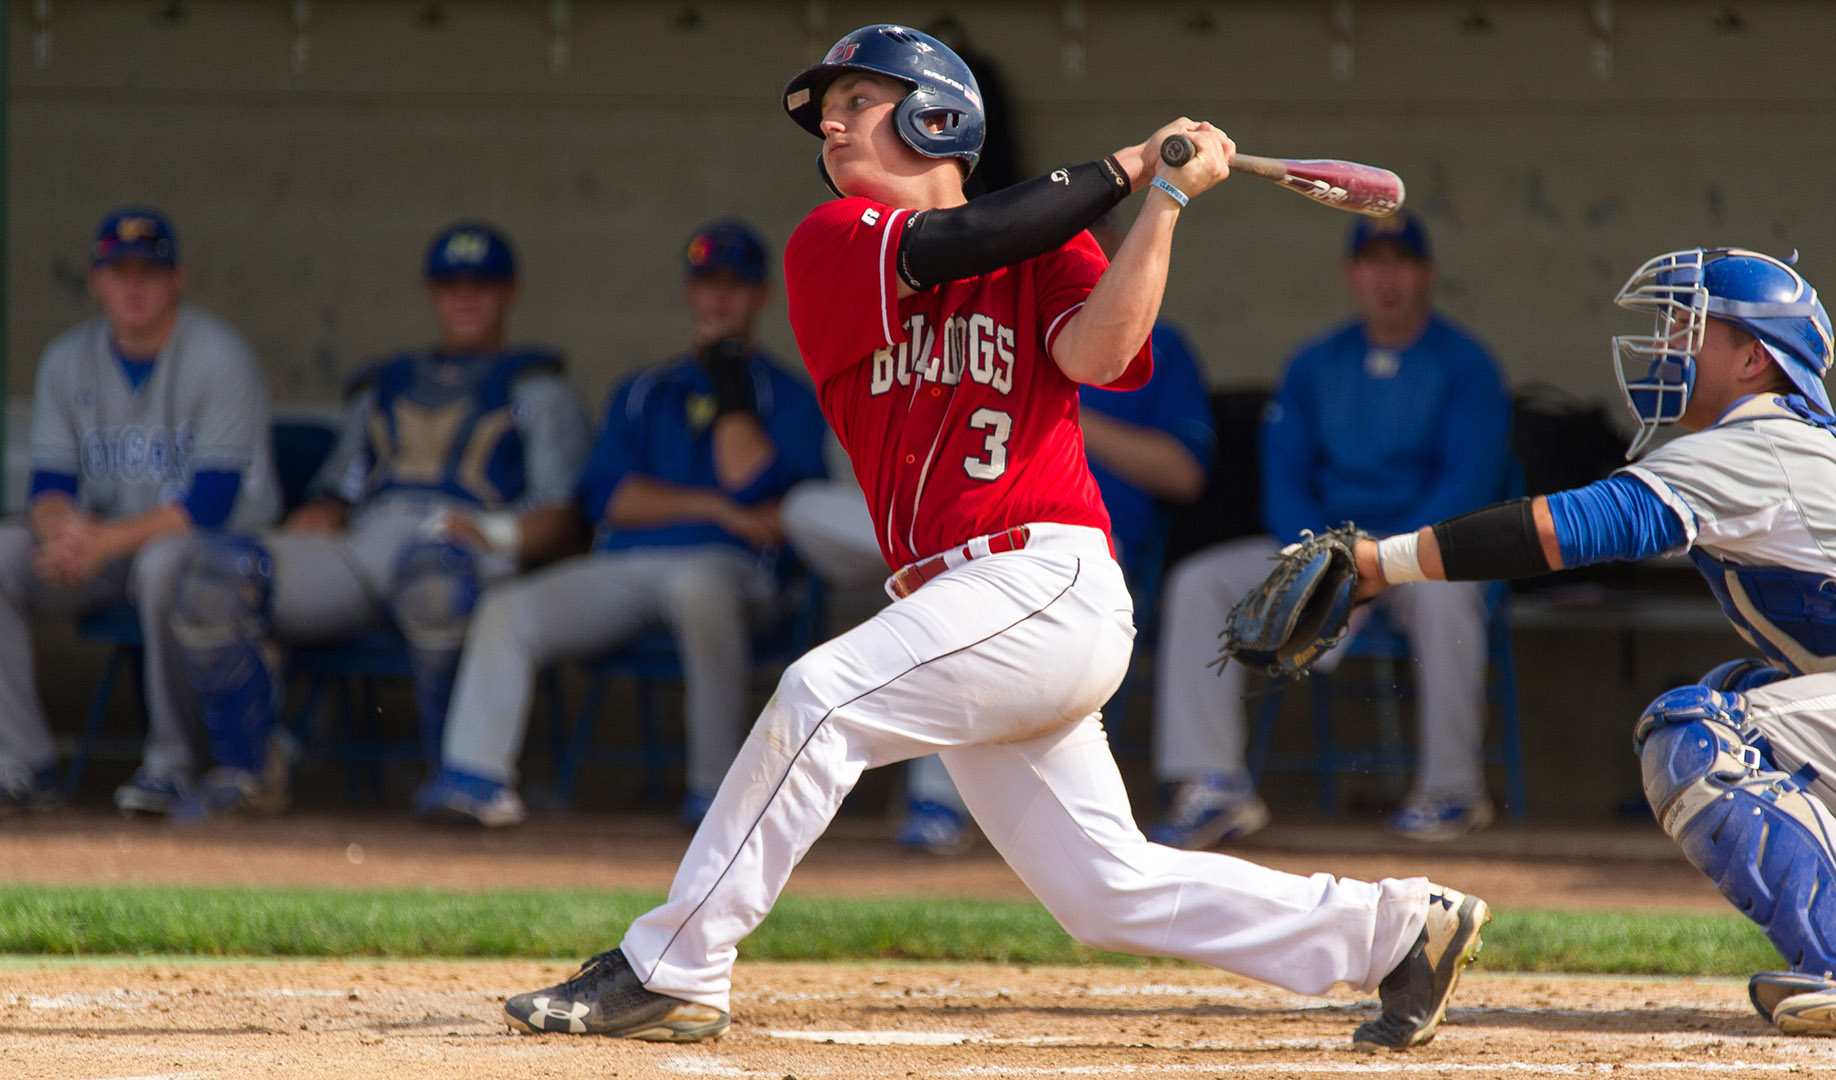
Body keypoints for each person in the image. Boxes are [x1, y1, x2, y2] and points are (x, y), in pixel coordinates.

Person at [502, 24, 1486, 1053]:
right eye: (827, 111)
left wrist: (1166, 202)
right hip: (956, 607)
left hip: (1041, 575)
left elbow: (1103, 354)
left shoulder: (1057, 248)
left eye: (856, 101)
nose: (830, 123)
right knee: (1108, 893)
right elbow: (953, 245)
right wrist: (1130, 165)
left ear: (939, 114)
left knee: (818, 696)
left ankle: (675, 966)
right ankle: (1396, 932)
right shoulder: (834, 241)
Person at [1341, 246, 1836, 1038]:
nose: (1666, 346)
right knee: (1748, 695)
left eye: (1690, 329)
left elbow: (1568, 528)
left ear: (1754, 358)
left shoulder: (1758, 440)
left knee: (1701, 734)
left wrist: (1379, 562)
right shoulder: (1800, 442)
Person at [783, 210, 1216, 856]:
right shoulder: (975, 299)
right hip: (950, 549)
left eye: (1100, 239)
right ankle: (1383, 926)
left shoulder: (1139, 334)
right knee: (1111, 885)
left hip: (1058, 559)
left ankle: (674, 950)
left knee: (842, 676)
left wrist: (1054, 397)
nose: (1084, 251)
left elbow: (1184, 474)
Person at [167, 222, 589, 821]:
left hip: (465, 548)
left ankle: (455, 777)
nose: (465, 297)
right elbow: (346, 481)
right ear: (430, 292)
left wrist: (493, 533)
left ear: (510, 292)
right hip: (368, 541)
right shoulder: (385, 384)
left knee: (434, 583)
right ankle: (253, 769)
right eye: (450, 284)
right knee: (215, 571)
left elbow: (568, 515)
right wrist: (325, 509)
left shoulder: (539, 389)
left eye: (482, 284)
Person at [414, 220, 826, 829]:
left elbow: (761, 492)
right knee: (508, 609)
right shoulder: (643, 390)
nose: (719, 298)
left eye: (735, 285)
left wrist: (728, 385)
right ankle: (476, 779)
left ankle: (716, 792)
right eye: (708, 282)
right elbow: (607, 498)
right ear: (690, 291)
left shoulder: (790, 392)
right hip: (630, 563)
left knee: (698, 591)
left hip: (733, 572)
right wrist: (714, 509)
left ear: (762, 295)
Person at [1147, 211, 1512, 847]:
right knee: (1200, 581)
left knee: (1448, 596)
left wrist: (1380, 560)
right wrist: (1325, 561)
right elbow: (1284, 476)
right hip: (1327, 548)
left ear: (1425, 273)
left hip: (1420, 551)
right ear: (1352, 274)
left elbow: (1469, 486)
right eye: (1374, 261)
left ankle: (1451, 790)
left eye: (1401, 261)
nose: (1387, 276)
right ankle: (1214, 785)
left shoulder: (1466, 364)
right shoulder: (1316, 363)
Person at [0, 207, 279, 815]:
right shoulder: (66, 360)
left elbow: (210, 502)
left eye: (148, 272)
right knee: (4, 555)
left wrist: (101, 542)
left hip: (215, 552)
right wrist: (62, 533)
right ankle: (20, 765)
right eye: (118, 271)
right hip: (106, 545)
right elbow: (48, 483)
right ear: (95, 281)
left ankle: (171, 765)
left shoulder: (218, 356)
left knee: (163, 564)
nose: (133, 285)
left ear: (176, 279)